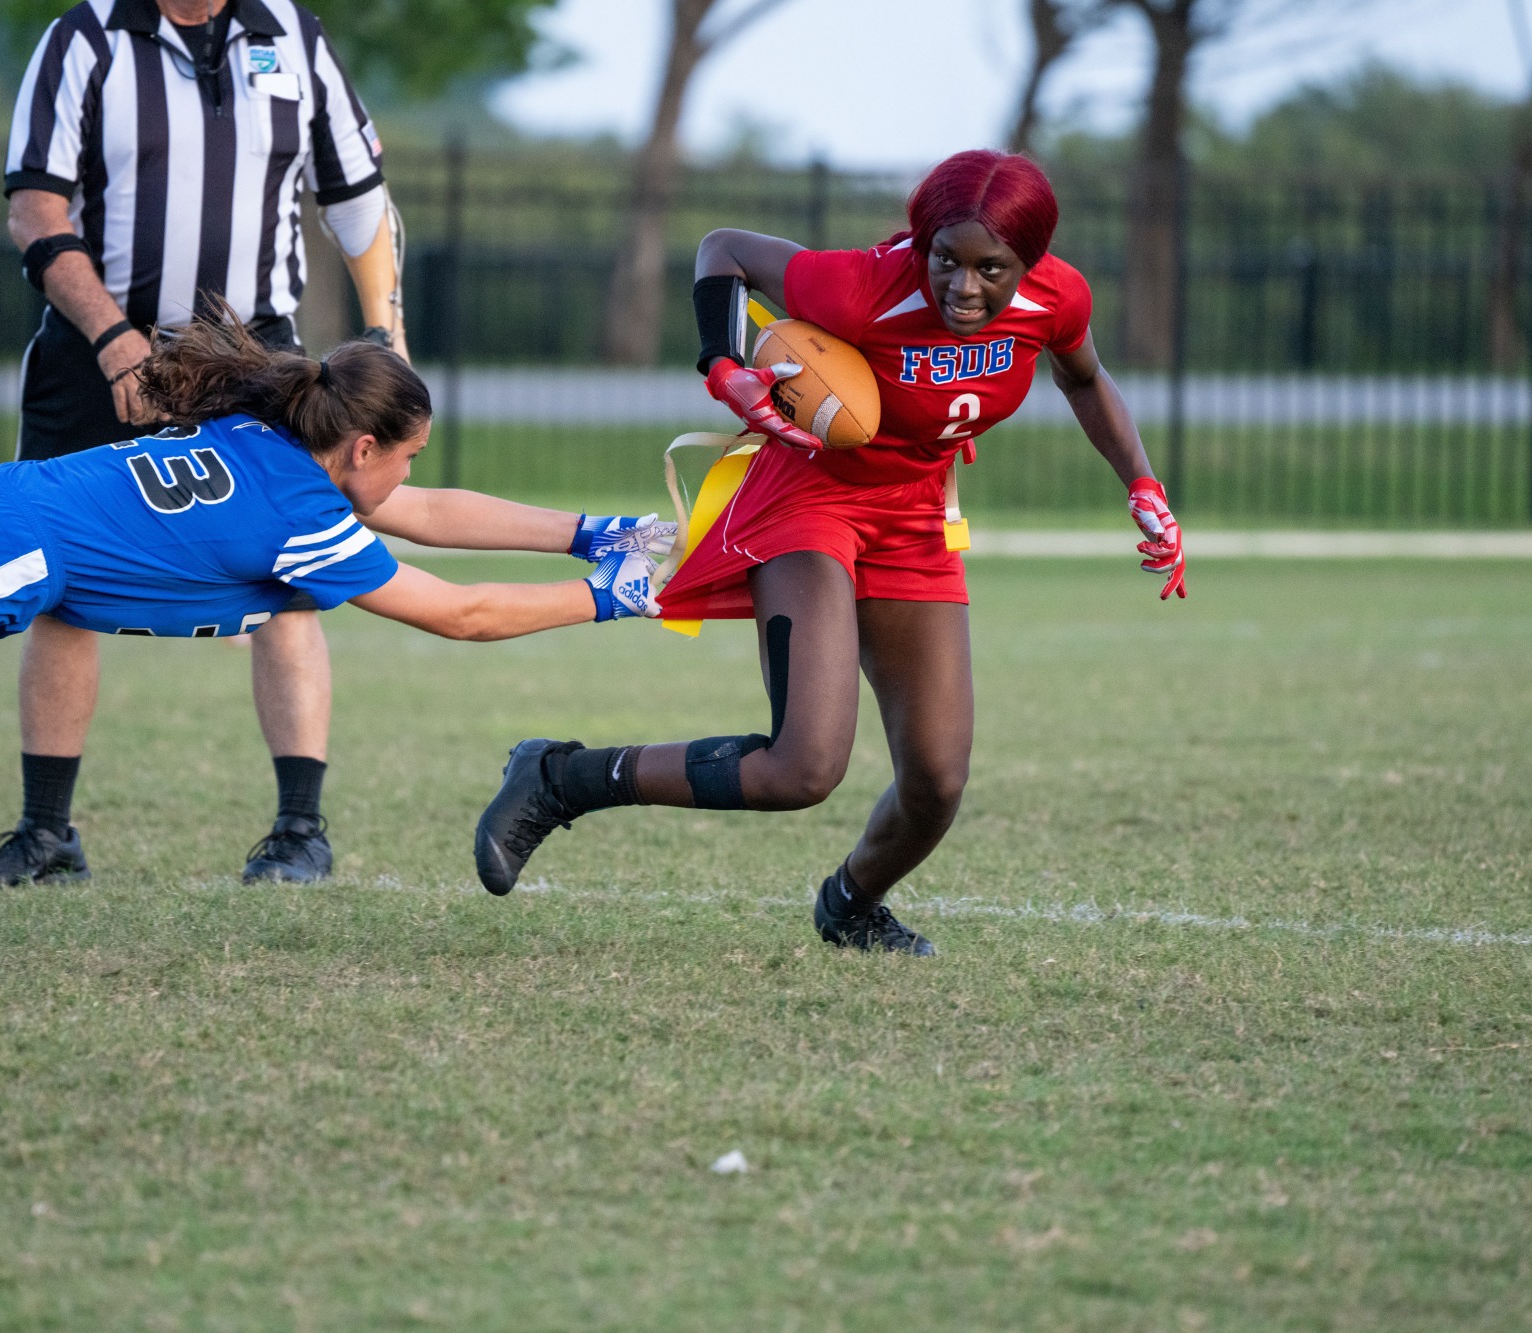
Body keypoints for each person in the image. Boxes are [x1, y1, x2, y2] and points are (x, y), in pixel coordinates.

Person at [470, 150, 1188, 956]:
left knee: (937, 781)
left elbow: (1084, 379)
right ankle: (560, 778)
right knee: (803, 768)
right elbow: (722, 249)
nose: (963, 286)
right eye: (945, 259)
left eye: (991, 268)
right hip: (810, 501)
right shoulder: (862, 286)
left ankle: (851, 904)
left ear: (1031, 259)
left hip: (913, 517)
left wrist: (1143, 483)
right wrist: (723, 366)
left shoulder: (1058, 296)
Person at [0, 321, 663, 835]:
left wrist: (594, 534)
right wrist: (617, 594)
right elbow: (462, 612)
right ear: (363, 446)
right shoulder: (301, 519)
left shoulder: (271, 433)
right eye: (407, 456)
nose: (410, 477)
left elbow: (428, 510)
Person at [0, 0, 407, 885]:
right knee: (58, 576)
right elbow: (35, 211)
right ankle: (46, 835)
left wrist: (387, 333)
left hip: (261, 357)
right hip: (101, 346)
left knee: (292, 580)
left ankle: (299, 832)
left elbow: (356, 197)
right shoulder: (84, 38)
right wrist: (113, 338)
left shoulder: (293, 33)